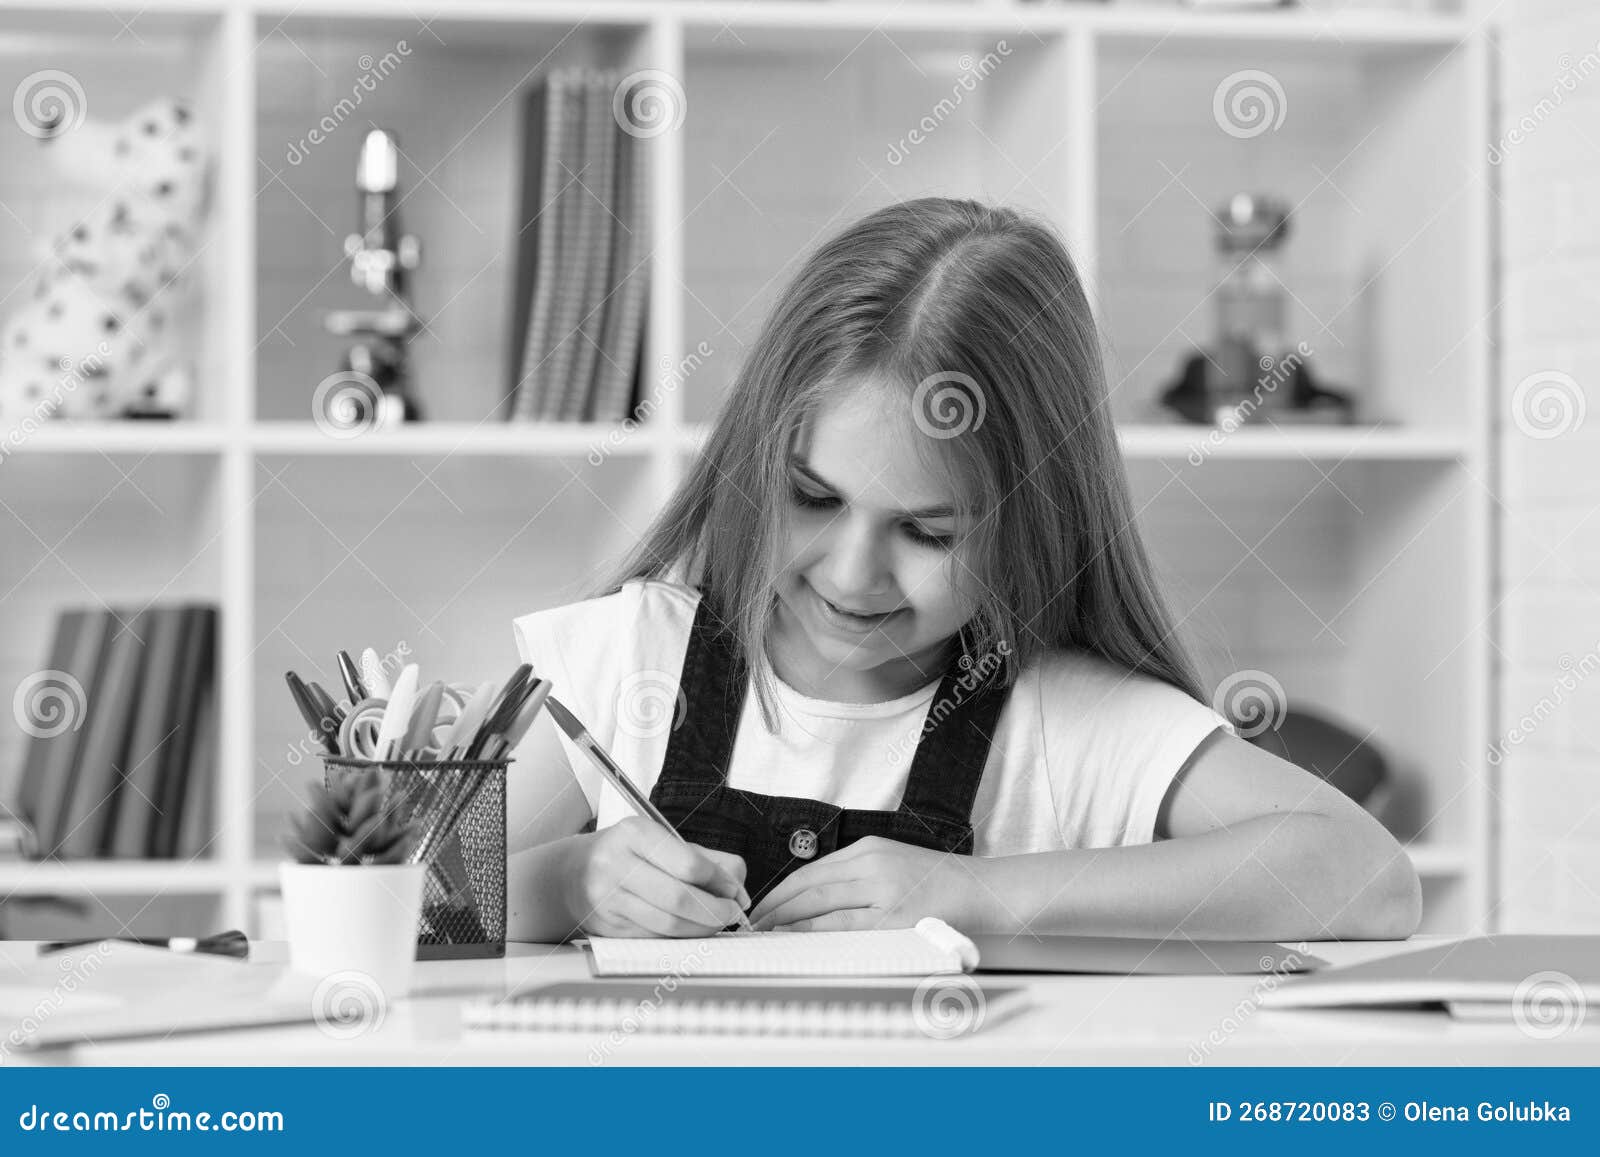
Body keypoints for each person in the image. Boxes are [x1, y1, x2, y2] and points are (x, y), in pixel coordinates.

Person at [505, 197, 1422, 943]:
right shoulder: (627, 660)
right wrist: (567, 882)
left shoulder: (1063, 719)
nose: (852, 575)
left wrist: (980, 895)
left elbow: (1368, 877)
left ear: (1031, 527)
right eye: (813, 498)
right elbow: (429, 899)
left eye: (927, 532)